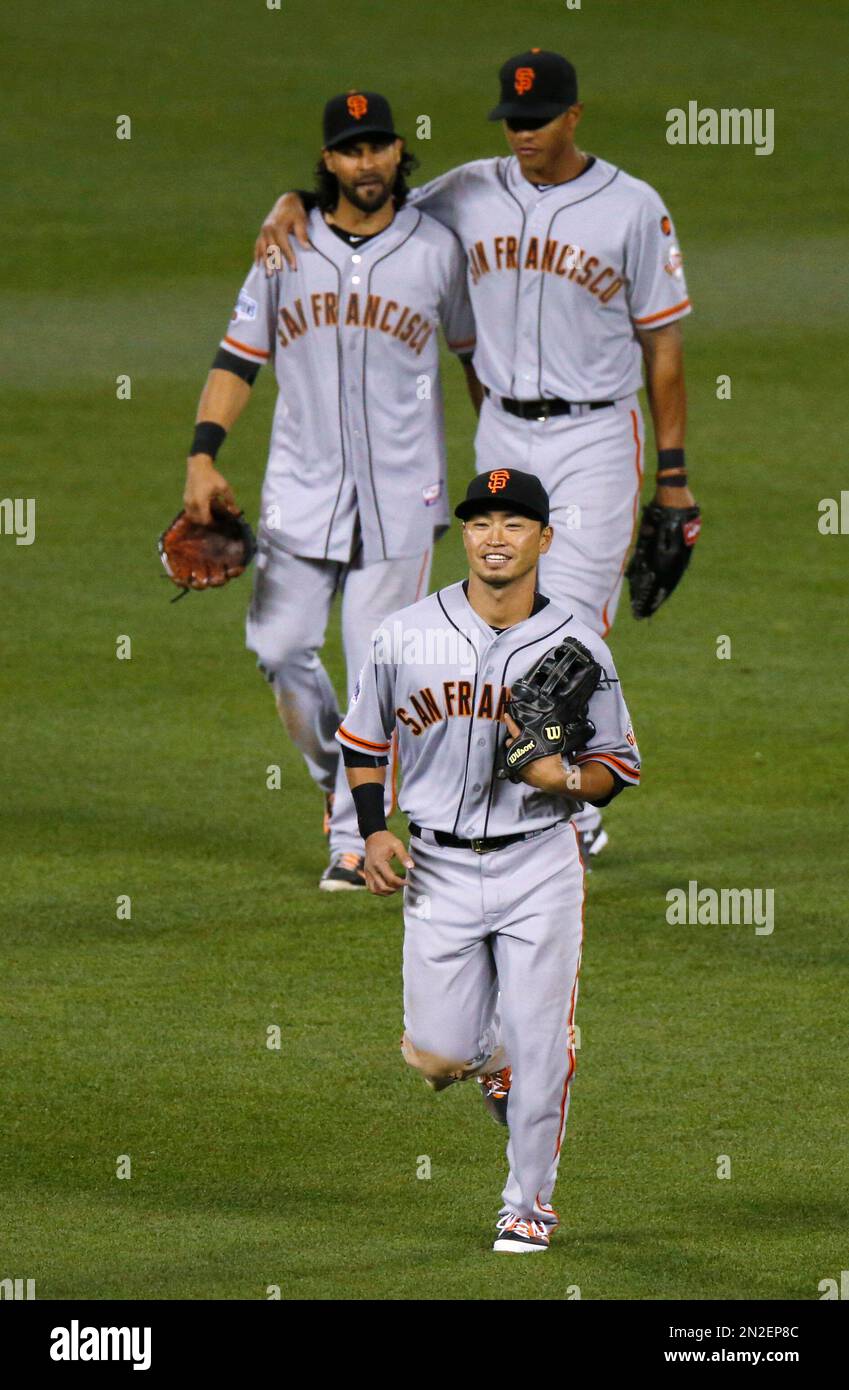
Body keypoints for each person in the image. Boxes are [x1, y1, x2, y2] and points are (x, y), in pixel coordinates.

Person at [254, 50, 695, 864]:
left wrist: (672, 479)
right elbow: (366, 207)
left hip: (596, 435)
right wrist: (290, 202)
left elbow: (661, 345)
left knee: (559, 625)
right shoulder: (467, 189)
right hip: (500, 430)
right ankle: (522, 798)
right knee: (493, 625)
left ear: (573, 116)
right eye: (510, 122)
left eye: (535, 121)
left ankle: (569, 799)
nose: (520, 135)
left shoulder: (632, 208)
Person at [336, 468, 640, 1251]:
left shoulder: (578, 643)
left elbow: (617, 767)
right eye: (479, 522)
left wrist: (561, 777)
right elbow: (364, 742)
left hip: (540, 862)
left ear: (543, 538)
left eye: (513, 523)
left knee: (546, 1048)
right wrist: (371, 831)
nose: (494, 536)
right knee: (435, 1055)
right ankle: (489, 1059)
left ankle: (527, 1207)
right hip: (435, 866)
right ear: (463, 536)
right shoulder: (404, 634)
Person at [183, 91, 478, 889]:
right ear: (328, 161)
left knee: (376, 670)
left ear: (398, 152)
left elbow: (473, 360)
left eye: (378, 146)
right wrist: (202, 457)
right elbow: (237, 357)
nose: (367, 163)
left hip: (403, 497)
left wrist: (498, 468)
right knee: (278, 649)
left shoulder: (437, 250)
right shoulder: (284, 248)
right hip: (299, 494)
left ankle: (354, 838)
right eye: (350, 150)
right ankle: (336, 779)